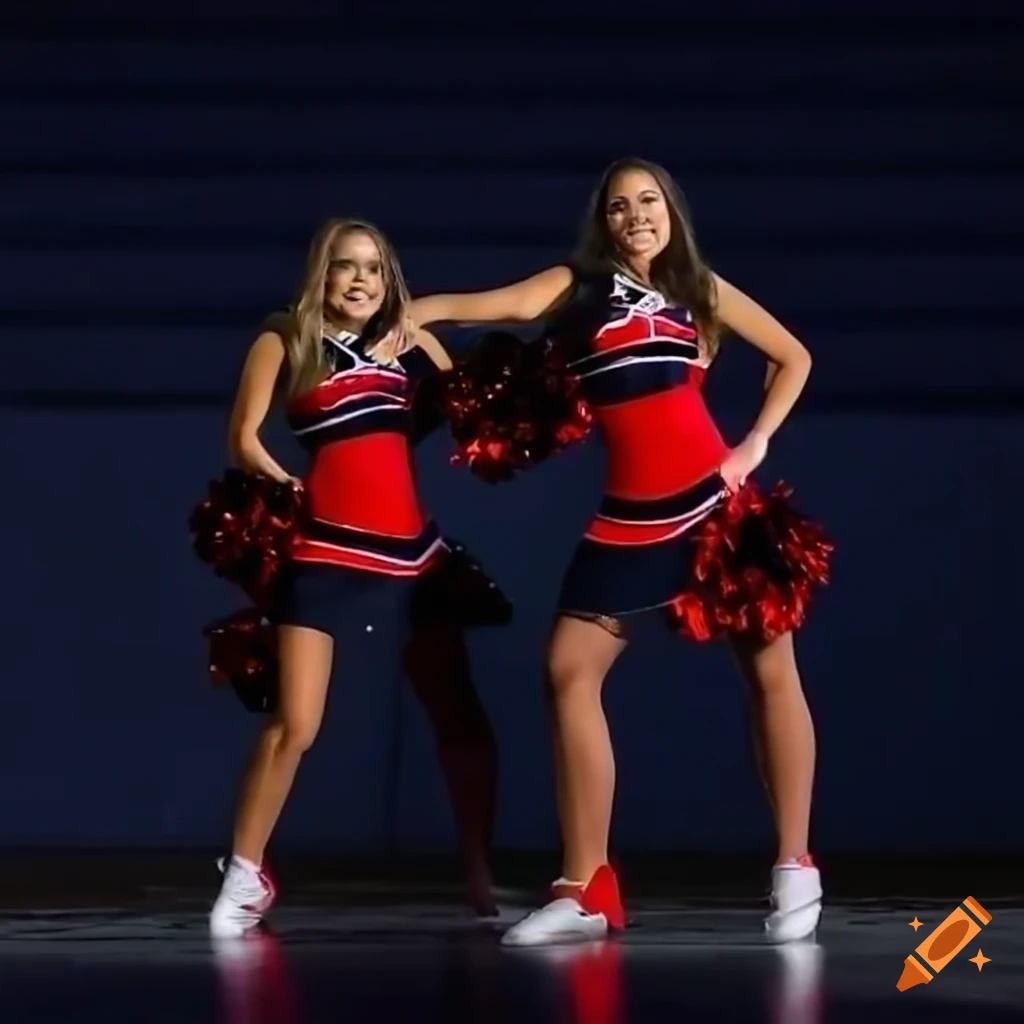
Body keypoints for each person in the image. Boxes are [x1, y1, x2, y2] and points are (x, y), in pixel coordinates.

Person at [410, 158, 822, 946]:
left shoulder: (700, 289)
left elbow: (793, 357)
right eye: (620, 206)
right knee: (568, 669)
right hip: (628, 524)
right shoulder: (578, 288)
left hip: (713, 512)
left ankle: (795, 865)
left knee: (771, 673)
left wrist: (752, 447)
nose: (636, 215)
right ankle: (587, 885)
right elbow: (496, 304)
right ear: (603, 222)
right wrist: (413, 311)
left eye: (649, 201)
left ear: (672, 211)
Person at [210, 218, 501, 937]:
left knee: (460, 717)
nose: (361, 279)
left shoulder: (408, 344)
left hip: (415, 559)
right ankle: (245, 873)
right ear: (322, 276)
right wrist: (283, 485)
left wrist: (434, 332)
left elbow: (471, 409)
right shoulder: (287, 336)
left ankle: (479, 871)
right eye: (346, 267)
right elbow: (244, 436)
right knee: (296, 724)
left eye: (373, 268)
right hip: (327, 553)